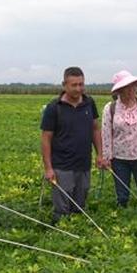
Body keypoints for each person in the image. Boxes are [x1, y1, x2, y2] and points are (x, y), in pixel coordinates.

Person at [41, 67, 104, 225]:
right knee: (62, 206)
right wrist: (48, 168)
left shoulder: (89, 102)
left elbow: (95, 129)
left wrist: (100, 154)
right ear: (64, 85)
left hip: (84, 163)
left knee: (80, 202)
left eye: (81, 84)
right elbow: (46, 138)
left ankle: (78, 230)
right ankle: (61, 232)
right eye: (74, 85)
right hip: (61, 165)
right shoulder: (54, 108)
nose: (78, 89)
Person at [102, 70, 137, 210]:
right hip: (119, 158)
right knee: (122, 196)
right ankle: (122, 214)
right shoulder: (110, 108)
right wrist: (107, 157)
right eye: (126, 87)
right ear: (119, 90)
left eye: (132, 85)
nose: (130, 90)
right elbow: (106, 133)